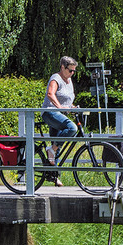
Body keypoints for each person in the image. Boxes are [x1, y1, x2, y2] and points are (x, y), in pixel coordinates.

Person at [41, 56, 79, 186]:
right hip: (50, 112)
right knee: (72, 128)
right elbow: (50, 94)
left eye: (74, 71)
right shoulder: (56, 78)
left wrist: (73, 107)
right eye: (70, 70)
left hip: (60, 113)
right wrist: (59, 107)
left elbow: (67, 100)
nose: (72, 73)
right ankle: (52, 149)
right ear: (62, 67)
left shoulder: (69, 80)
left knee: (56, 143)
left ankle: (53, 176)